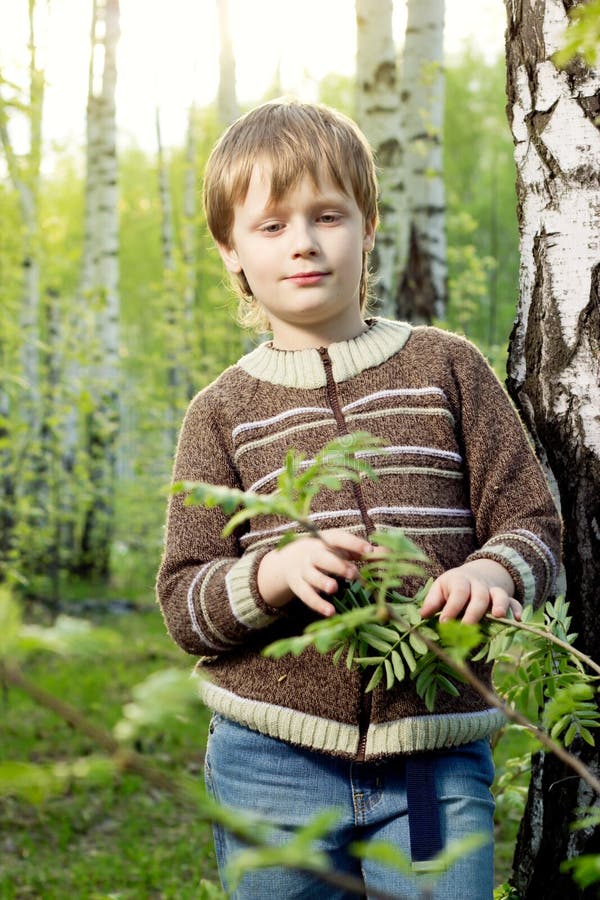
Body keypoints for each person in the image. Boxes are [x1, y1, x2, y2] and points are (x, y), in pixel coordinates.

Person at [156, 98, 561, 899]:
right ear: (231, 251)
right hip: (268, 764)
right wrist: (272, 575)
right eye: (271, 225)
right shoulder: (220, 413)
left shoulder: (447, 369)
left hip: (432, 759)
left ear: (368, 225)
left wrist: (494, 574)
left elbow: (532, 520)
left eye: (328, 216)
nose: (303, 242)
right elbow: (183, 603)